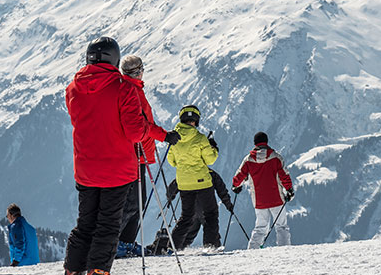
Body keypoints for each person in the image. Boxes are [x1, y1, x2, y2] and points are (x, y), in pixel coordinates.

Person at [53, 36, 147, 275]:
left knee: (85, 225)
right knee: (107, 226)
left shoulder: (73, 88)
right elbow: (133, 131)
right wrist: (144, 129)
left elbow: (79, 119)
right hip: (116, 170)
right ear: (114, 60)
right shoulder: (123, 88)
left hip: (85, 169)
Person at [116, 55, 179, 258]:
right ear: (139, 71)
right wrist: (165, 136)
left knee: (137, 201)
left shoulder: (130, 88)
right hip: (136, 153)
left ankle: (125, 242)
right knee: (133, 202)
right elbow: (144, 126)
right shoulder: (132, 91)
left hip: (136, 153)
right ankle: (119, 243)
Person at [167, 105, 221, 250]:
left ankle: (173, 247)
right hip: (203, 183)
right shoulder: (200, 138)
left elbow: (171, 162)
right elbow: (210, 160)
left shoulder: (174, 139)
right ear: (195, 120)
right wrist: (214, 148)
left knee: (186, 217)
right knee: (210, 214)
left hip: (184, 184)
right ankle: (211, 246)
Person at [232, 132, 294, 248]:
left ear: (255, 143)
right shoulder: (276, 157)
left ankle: (252, 251)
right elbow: (284, 175)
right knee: (281, 226)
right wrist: (289, 190)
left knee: (260, 228)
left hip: (259, 200)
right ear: (266, 142)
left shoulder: (249, 159)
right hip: (276, 198)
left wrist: (236, 186)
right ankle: (285, 250)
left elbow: (238, 177)